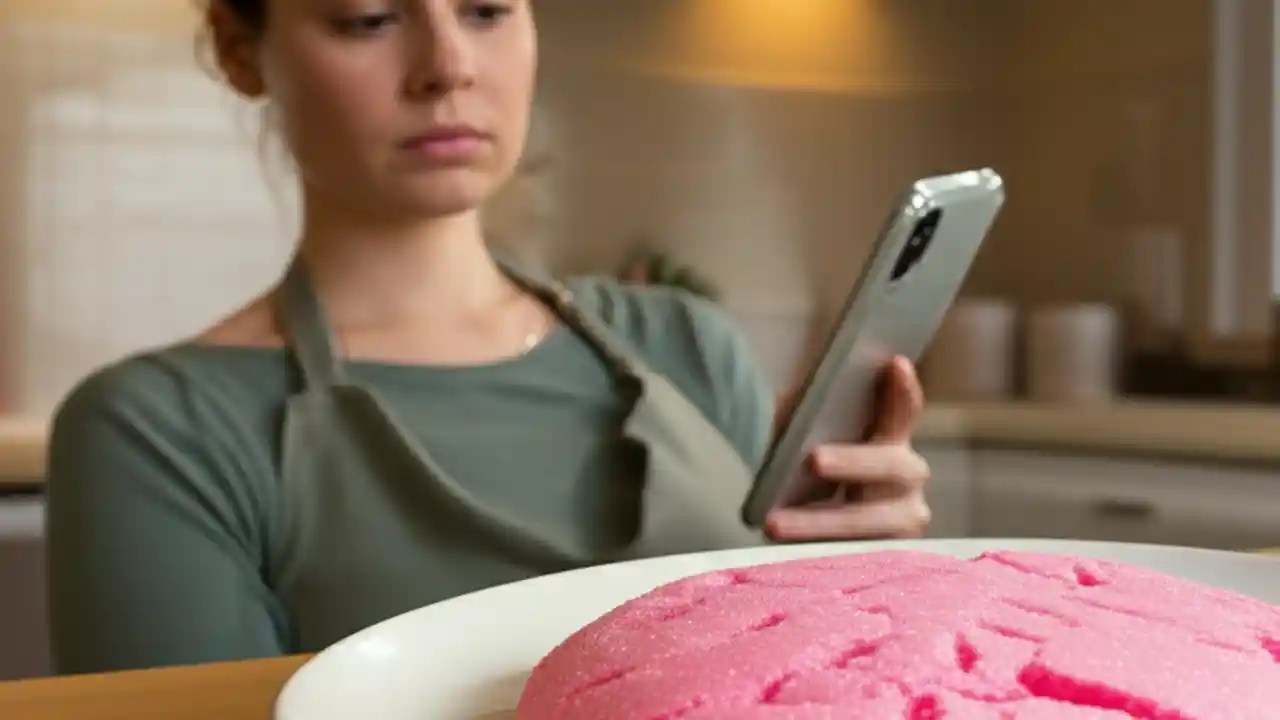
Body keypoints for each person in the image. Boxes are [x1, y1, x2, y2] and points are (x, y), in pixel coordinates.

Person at [44, 0, 933, 675]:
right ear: (245, 52)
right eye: (370, 18)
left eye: (486, 9)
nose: (447, 66)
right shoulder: (157, 431)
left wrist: (863, 597)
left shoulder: (687, 345)